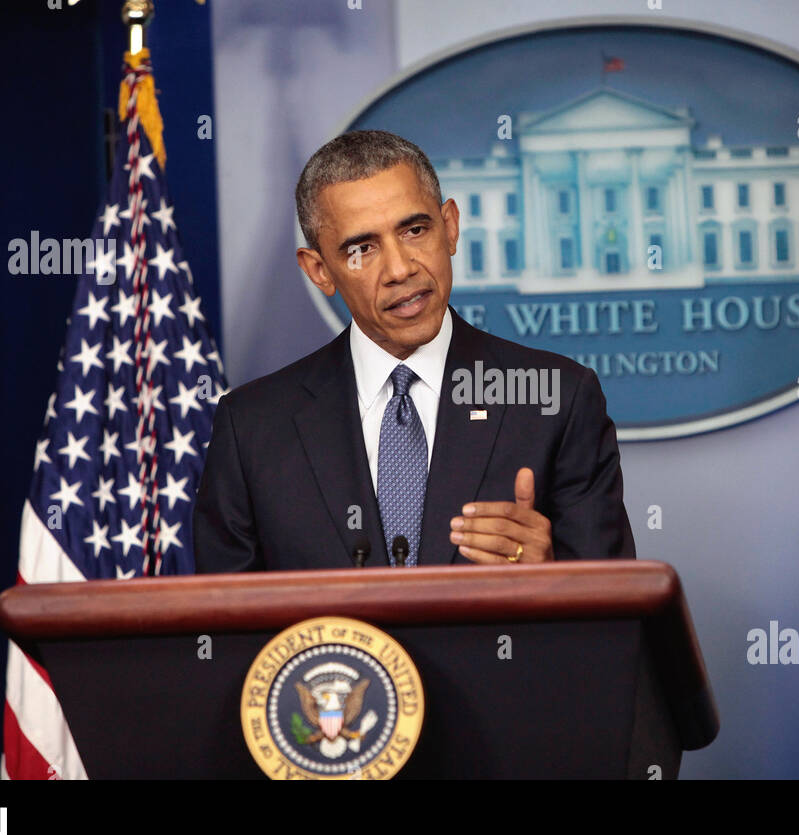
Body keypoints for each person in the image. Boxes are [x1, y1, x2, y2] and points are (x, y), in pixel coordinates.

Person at [193, 130, 635, 572]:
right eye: (362, 248)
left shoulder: (556, 399)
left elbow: (615, 618)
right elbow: (228, 625)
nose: (401, 269)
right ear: (319, 270)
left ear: (451, 227)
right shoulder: (250, 428)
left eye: (415, 230)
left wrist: (556, 574)